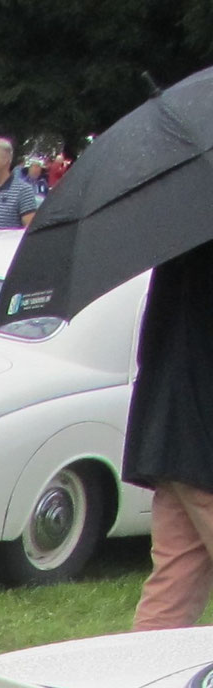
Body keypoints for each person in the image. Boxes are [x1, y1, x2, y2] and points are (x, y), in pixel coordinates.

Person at [123, 240, 213, 629]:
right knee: (174, 582)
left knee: (173, 586)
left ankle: (138, 682)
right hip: (201, 436)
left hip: (168, 432)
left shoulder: (180, 235)